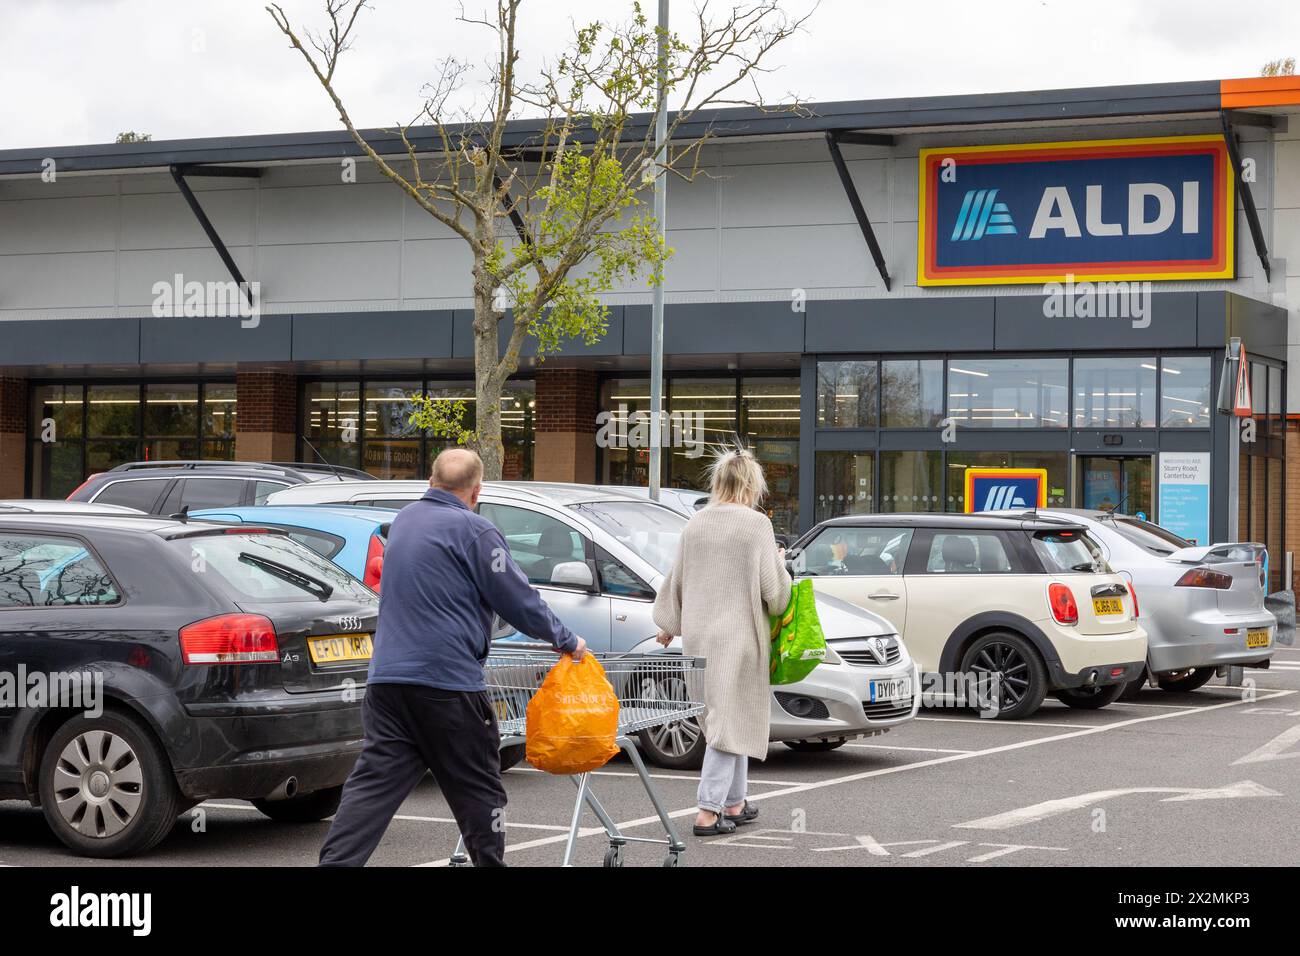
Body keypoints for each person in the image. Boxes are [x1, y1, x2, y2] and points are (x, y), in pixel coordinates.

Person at [318, 448, 586, 867]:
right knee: (480, 789)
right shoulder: (476, 532)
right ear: (477, 491)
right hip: (447, 685)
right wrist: (565, 639)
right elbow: (516, 598)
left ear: (429, 481)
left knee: (371, 789)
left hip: (388, 683)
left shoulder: (404, 520)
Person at [652, 446, 791, 836]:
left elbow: (676, 580)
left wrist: (669, 624)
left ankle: (735, 800)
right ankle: (708, 810)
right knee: (730, 719)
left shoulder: (695, 523)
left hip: (699, 636)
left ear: (718, 482)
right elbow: (776, 596)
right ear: (752, 485)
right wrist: (780, 562)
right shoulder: (755, 525)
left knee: (726, 713)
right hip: (740, 636)